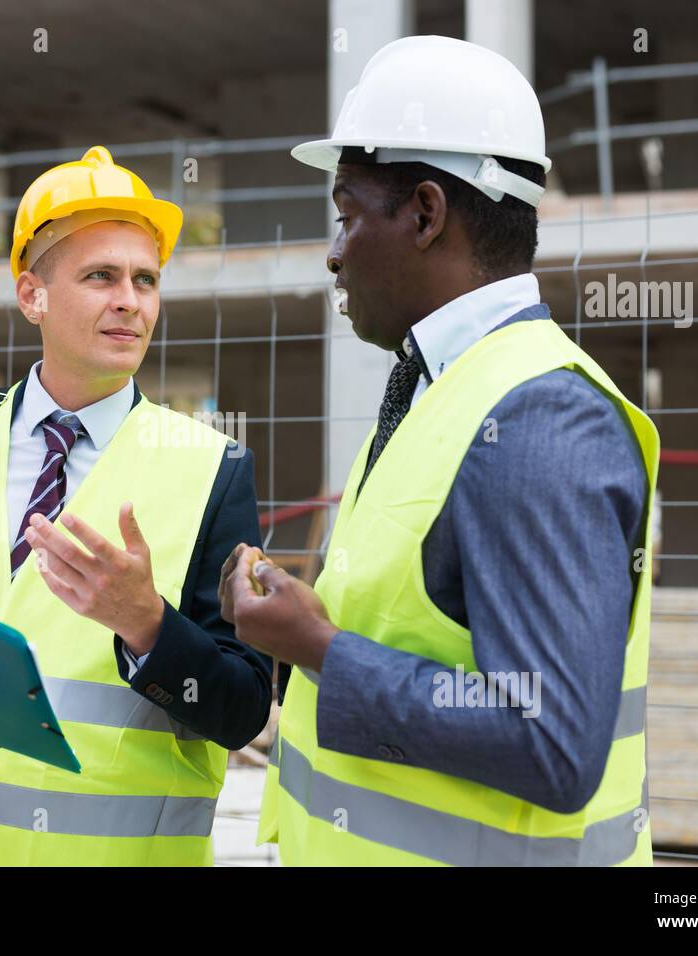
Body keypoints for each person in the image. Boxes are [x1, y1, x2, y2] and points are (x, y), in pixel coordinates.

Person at [220, 36, 659, 866]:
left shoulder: (539, 417)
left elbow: (551, 740)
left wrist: (319, 648)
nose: (334, 250)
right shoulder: (438, 390)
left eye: (348, 214)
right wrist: (292, 630)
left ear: (425, 214)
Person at [0, 146, 271, 866]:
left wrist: (147, 626)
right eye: (101, 276)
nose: (130, 299)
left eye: (146, 279)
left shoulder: (211, 468)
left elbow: (243, 706)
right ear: (32, 294)